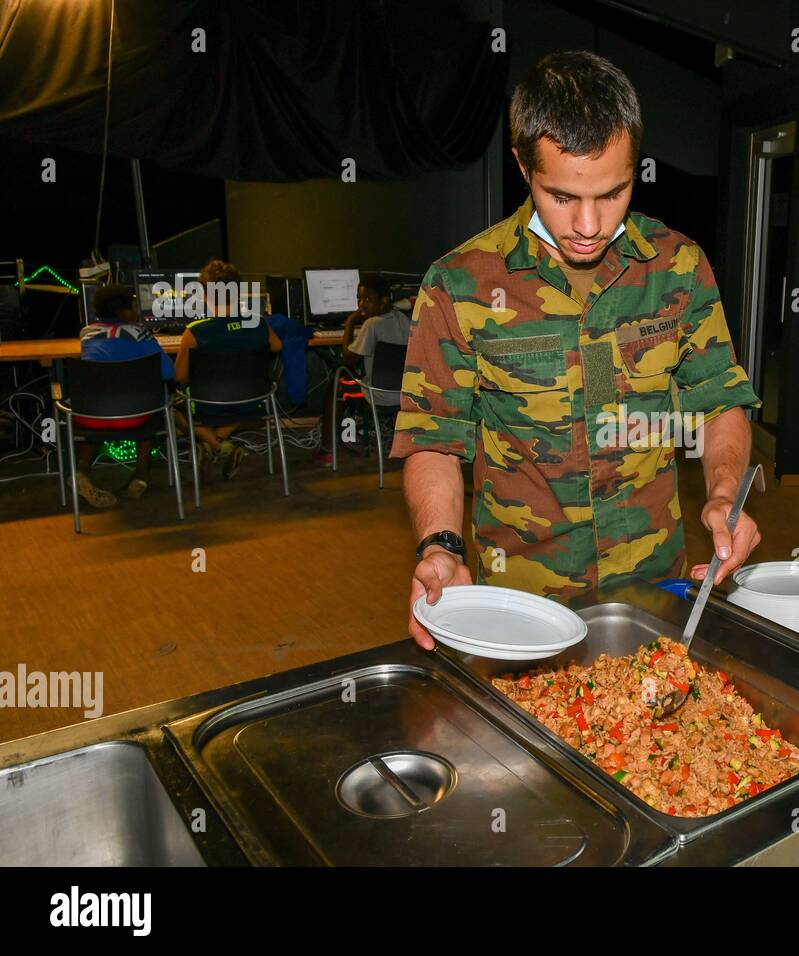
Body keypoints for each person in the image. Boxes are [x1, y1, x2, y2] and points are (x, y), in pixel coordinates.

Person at [393, 52, 762, 648]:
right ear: (523, 165)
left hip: (654, 590)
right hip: (521, 603)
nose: (589, 225)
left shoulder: (679, 267)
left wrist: (724, 494)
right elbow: (434, 436)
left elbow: (719, 400)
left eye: (614, 193)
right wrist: (441, 545)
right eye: (562, 196)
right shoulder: (459, 284)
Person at [174, 259, 282, 480]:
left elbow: (179, 378)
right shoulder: (258, 322)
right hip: (252, 399)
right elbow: (277, 346)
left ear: (204, 295)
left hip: (207, 402)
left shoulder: (193, 332)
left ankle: (214, 444)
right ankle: (219, 443)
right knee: (241, 394)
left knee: (170, 403)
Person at [70, 284, 175, 508]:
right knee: (149, 400)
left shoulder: (86, 334)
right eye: (134, 306)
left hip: (92, 417)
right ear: (125, 312)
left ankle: (81, 470)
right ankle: (141, 476)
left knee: (100, 400)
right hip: (136, 416)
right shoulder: (141, 335)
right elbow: (168, 372)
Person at [314, 273, 412, 467]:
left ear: (384, 300)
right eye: (359, 299)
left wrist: (350, 322)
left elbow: (347, 359)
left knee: (337, 382)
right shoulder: (404, 320)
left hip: (377, 396)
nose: (361, 305)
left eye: (368, 299)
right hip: (404, 395)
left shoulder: (371, 325)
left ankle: (327, 451)